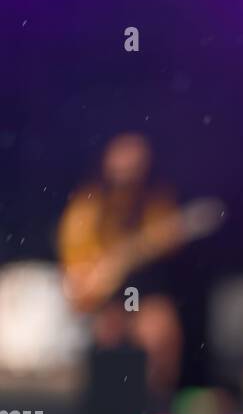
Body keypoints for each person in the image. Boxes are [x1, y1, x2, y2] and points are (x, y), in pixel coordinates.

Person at [58, 133, 222, 396]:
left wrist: (141, 250)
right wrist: (106, 272)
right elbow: (77, 273)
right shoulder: (87, 207)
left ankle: (156, 411)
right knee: (107, 337)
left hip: (144, 296)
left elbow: (168, 241)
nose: (127, 176)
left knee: (160, 331)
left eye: (135, 167)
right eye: (121, 166)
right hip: (101, 305)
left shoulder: (157, 203)